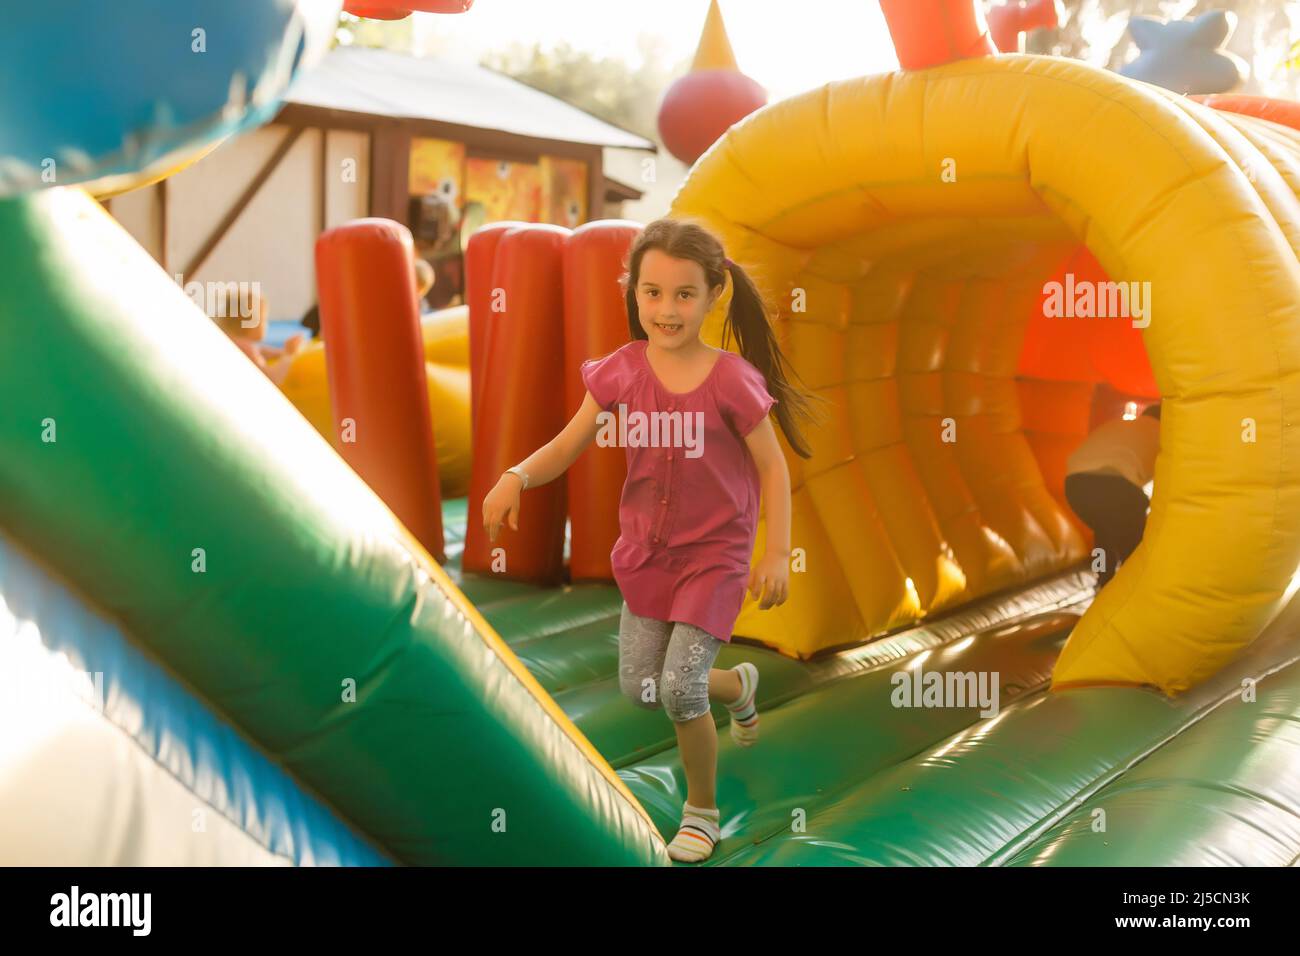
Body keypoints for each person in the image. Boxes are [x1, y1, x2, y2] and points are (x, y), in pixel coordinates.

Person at [482, 219, 822, 863]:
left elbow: (773, 467)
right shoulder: (622, 371)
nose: (667, 310)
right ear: (634, 293)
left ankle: (702, 812)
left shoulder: (732, 380)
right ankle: (738, 687)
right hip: (647, 553)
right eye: (653, 293)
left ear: (715, 293)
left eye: (684, 295)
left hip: (714, 559)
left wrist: (775, 551)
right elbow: (568, 443)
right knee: (643, 686)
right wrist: (516, 476)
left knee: (678, 690)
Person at [1064, 402, 1161, 589]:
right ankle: (1135, 588)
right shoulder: (1163, 433)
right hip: (1116, 486)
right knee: (1133, 548)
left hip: (1075, 486)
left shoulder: (1119, 424)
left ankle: (1102, 577)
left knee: (1102, 531)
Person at [211, 287, 302, 386]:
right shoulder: (247, 349)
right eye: (263, 319)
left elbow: (261, 350)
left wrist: (281, 352)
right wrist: (288, 355)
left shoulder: (233, 342)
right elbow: (272, 379)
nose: (266, 325)